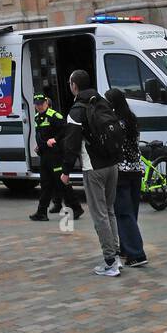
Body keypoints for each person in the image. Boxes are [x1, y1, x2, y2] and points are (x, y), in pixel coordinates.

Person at [60, 70, 125, 277]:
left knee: (100, 215)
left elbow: (71, 144)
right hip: (112, 164)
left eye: (70, 83)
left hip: (93, 167)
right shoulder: (102, 102)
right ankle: (116, 255)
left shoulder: (77, 109)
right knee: (110, 210)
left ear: (74, 85)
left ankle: (110, 262)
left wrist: (66, 171)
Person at [105, 87, 147, 267]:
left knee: (123, 213)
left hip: (121, 171)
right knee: (131, 212)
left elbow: (112, 146)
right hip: (136, 169)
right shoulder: (132, 119)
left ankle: (136, 253)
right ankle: (126, 247)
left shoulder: (115, 122)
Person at [29, 93, 83, 223]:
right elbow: (40, 135)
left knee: (61, 181)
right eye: (37, 104)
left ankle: (76, 208)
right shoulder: (37, 117)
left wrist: (55, 139)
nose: (39, 106)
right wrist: (39, 146)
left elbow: (66, 130)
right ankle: (42, 212)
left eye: (41, 103)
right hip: (45, 155)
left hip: (56, 155)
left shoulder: (54, 116)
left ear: (46, 103)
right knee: (45, 184)